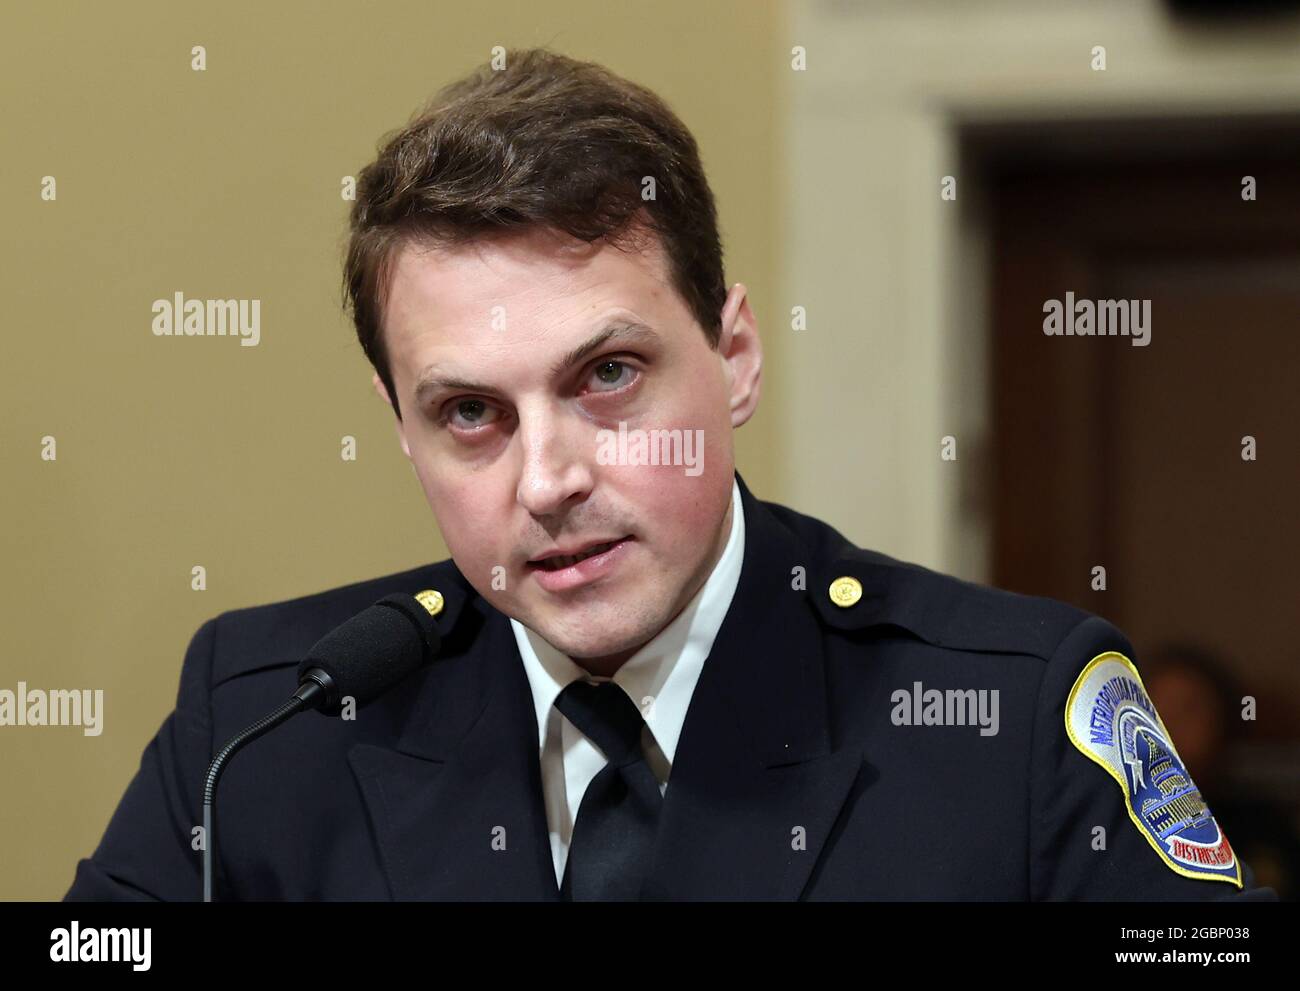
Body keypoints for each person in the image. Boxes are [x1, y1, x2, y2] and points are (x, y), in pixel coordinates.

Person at [65, 47, 1274, 901]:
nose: (547, 479)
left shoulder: (1017, 719)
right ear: (398, 423)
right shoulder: (270, 718)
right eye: (470, 411)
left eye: (606, 377)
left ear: (733, 357)